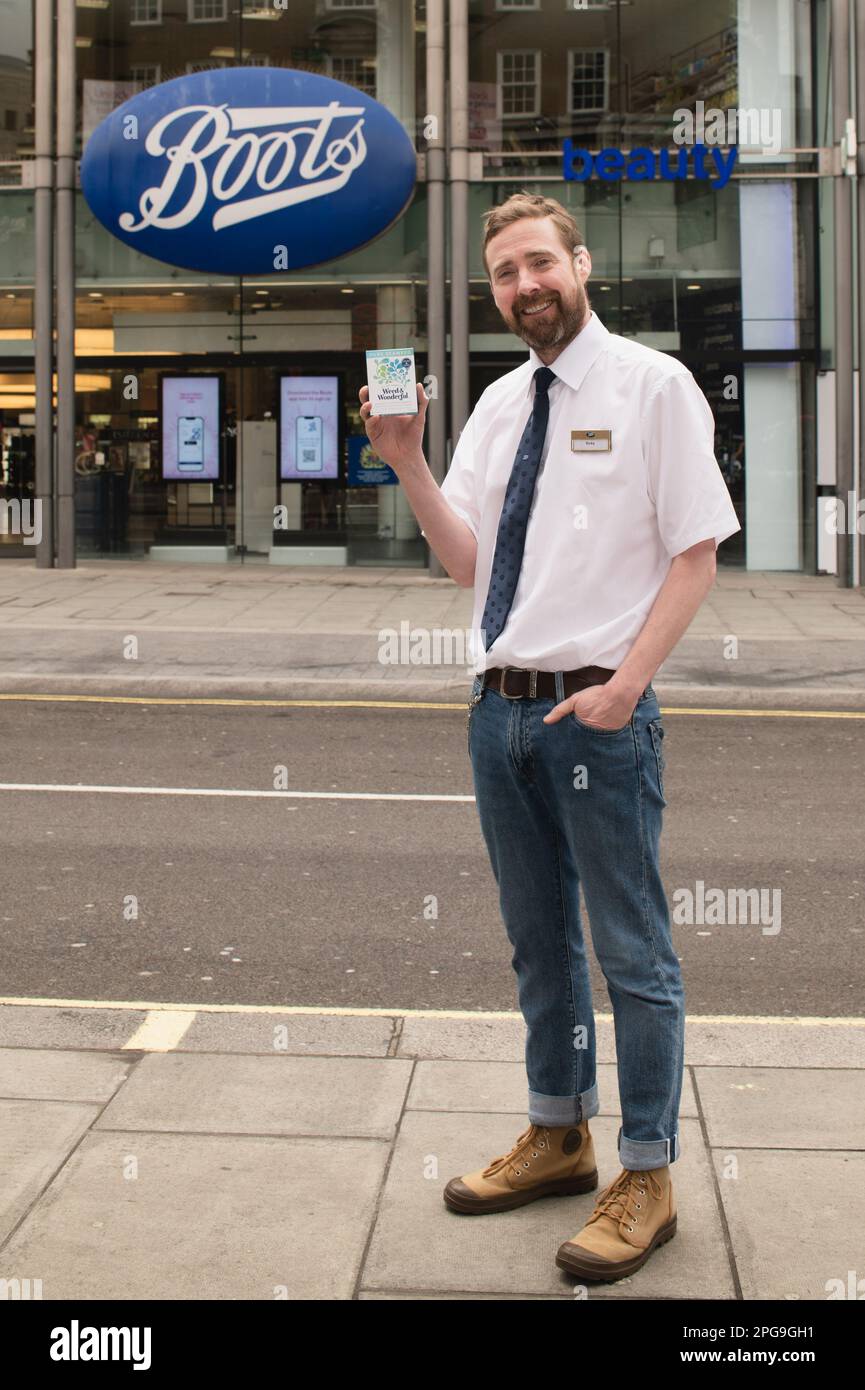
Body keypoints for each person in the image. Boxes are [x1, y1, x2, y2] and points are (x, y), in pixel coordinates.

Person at [359, 191, 740, 1283]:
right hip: (499, 711)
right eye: (504, 276)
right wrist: (407, 462)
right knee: (539, 947)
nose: (524, 287)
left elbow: (697, 549)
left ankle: (650, 1174)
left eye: (539, 264)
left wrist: (626, 685)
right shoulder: (495, 406)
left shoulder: (651, 386)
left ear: (580, 265)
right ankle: (560, 1133)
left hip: (595, 713)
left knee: (633, 953)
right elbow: (470, 562)